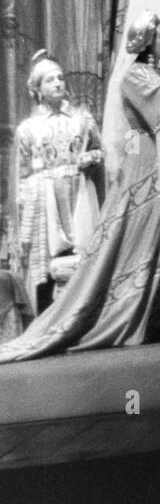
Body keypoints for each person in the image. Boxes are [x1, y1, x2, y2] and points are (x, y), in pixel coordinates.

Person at [0, 12, 160, 362]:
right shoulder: (133, 76)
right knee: (155, 244)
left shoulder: (157, 71)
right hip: (147, 167)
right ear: (146, 42)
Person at [9, 51, 105, 313]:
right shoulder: (29, 128)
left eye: (60, 78)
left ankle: (87, 309)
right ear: (38, 89)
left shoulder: (81, 119)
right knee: (50, 259)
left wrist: (92, 157)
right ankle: (50, 311)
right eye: (50, 80)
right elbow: (22, 172)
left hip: (79, 191)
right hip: (45, 196)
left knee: (83, 252)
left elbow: (99, 149)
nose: (58, 83)